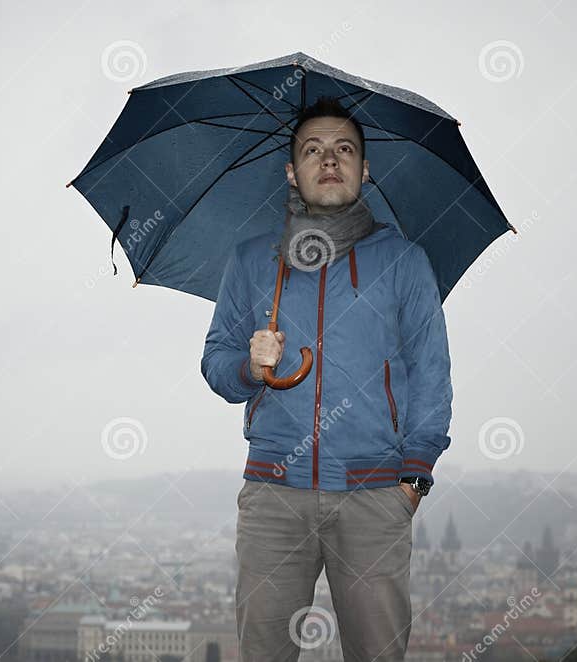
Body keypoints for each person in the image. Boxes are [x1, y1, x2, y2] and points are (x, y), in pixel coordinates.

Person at [200, 95, 453, 661]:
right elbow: (216, 365)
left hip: (374, 496)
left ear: (364, 169)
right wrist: (250, 366)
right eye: (312, 149)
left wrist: (414, 477)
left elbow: (431, 371)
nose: (329, 159)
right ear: (292, 171)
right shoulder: (249, 261)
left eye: (344, 149)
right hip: (273, 495)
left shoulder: (406, 262)